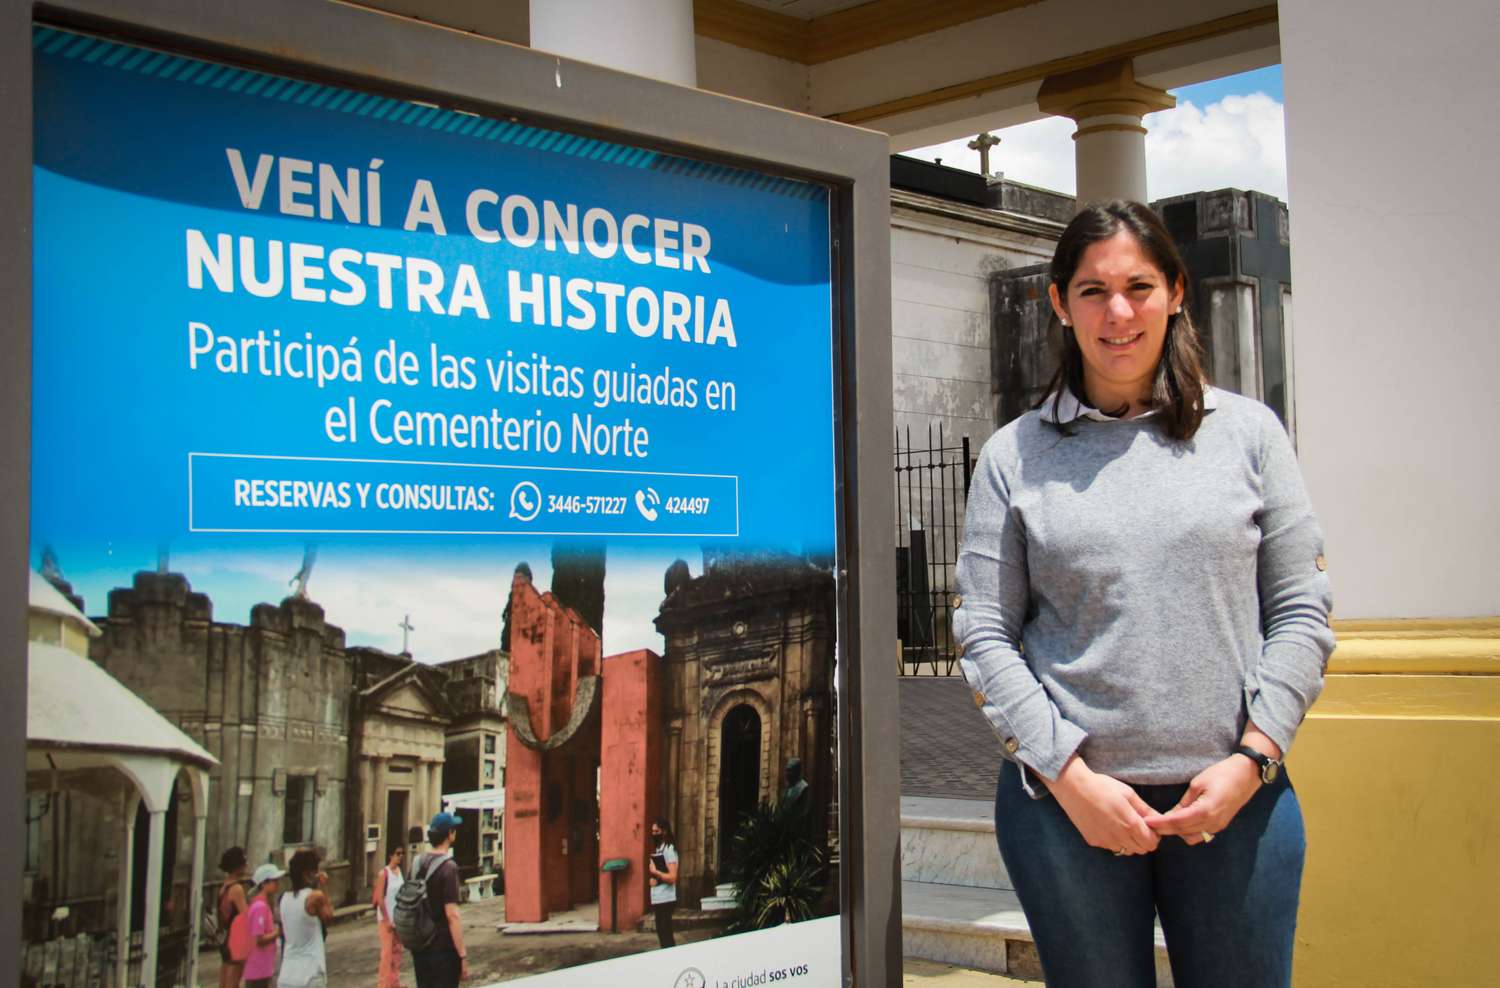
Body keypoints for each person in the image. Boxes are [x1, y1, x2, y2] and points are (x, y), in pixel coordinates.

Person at [953, 199, 1334, 988]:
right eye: (1092, 290)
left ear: (1176, 292)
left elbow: (1301, 611)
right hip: (1067, 814)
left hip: (1236, 805)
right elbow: (985, 633)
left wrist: (1253, 759)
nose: (1117, 312)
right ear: (1059, 303)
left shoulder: (1250, 435)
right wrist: (1070, 779)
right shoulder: (1011, 457)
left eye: (1138, 286)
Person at [410, 812, 467, 988]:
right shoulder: (448, 867)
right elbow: (452, 915)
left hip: (420, 946)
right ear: (450, 834)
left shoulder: (417, 862)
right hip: (443, 948)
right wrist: (462, 954)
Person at [278, 848, 335, 988]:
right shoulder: (314, 896)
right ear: (307, 873)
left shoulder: (283, 898)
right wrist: (323, 886)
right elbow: (329, 917)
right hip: (310, 974)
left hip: (287, 974)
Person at [242, 864, 286, 988]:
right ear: (263, 883)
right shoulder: (260, 907)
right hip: (258, 969)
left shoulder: (261, 905)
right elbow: (258, 939)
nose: (277, 883)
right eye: (274, 880)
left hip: (262, 967)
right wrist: (278, 932)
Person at [373, 844, 408, 988]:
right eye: (397, 853)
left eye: (402, 854)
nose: (400, 856)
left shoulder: (399, 871)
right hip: (386, 919)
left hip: (398, 918)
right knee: (387, 954)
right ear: (390, 855)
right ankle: (383, 985)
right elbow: (380, 899)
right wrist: (387, 920)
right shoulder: (384, 873)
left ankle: (394, 983)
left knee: (397, 952)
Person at [215, 847, 251, 988]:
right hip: (235, 940)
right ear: (238, 866)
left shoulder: (224, 887)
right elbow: (246, 916)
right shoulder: (237, 889)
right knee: (233, 982)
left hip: (225, 938)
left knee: (224, 981)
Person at [646, 818, 679, 949]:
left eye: (657, 831)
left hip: (666, 899)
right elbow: (661, 875)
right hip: (658, 898)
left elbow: (672, 877)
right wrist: (654, 879)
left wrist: (656, 872)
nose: (654, 834)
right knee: (662, 935)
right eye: (652, 831)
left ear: (664, 832)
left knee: (666, 937)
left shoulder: (669, 850)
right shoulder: (659, 848)